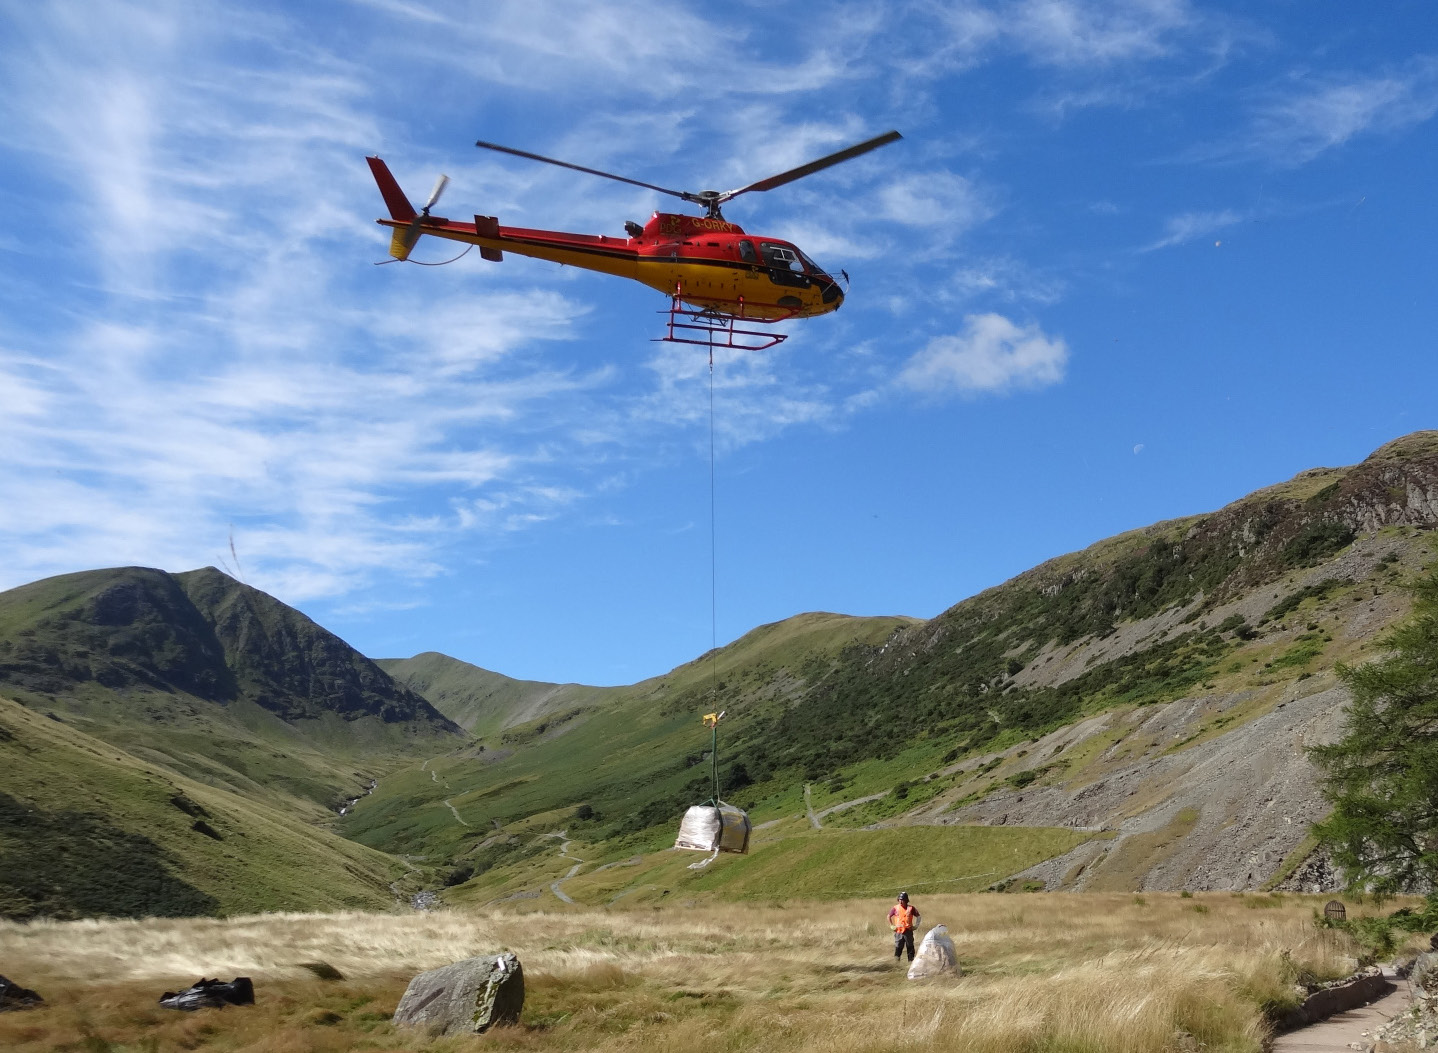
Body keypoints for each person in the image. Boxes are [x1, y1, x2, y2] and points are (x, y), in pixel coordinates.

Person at [888, 891, 920, 962]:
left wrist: (916, 926)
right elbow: (889, 916)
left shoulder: (911, 908)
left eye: (902, 899)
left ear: (906, 900)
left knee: (910, 948)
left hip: (908, 931)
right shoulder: (895, 908)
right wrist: (891, 925)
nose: (900, 901)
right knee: (898, 948)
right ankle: (896, 964)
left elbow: (918, 916)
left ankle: (911, 963)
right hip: (899, 932)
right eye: (899, 899)